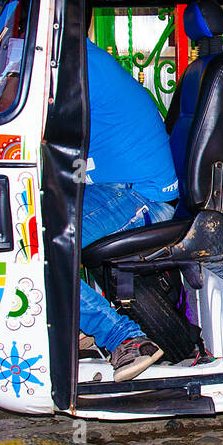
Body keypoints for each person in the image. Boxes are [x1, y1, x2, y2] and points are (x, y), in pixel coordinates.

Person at [80, 39, 180, 381]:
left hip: (141, 198)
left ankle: (126, 339)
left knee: (39, 247)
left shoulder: (77, 65)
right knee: (35, 221)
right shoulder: (70, 60)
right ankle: (81, 325)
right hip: (116, 189)